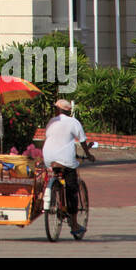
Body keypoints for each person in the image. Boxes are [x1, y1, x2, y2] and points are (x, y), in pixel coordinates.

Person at [42, 98, 93, 237]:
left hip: (48, 158)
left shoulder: (51, 122)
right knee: (72, 189)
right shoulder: (73, 122)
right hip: (65, 159)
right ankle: (75, 224)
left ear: (58, 110)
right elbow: (82, 141)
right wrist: (88, 154)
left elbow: (53, 139)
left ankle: (55, 193)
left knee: (56, 176)